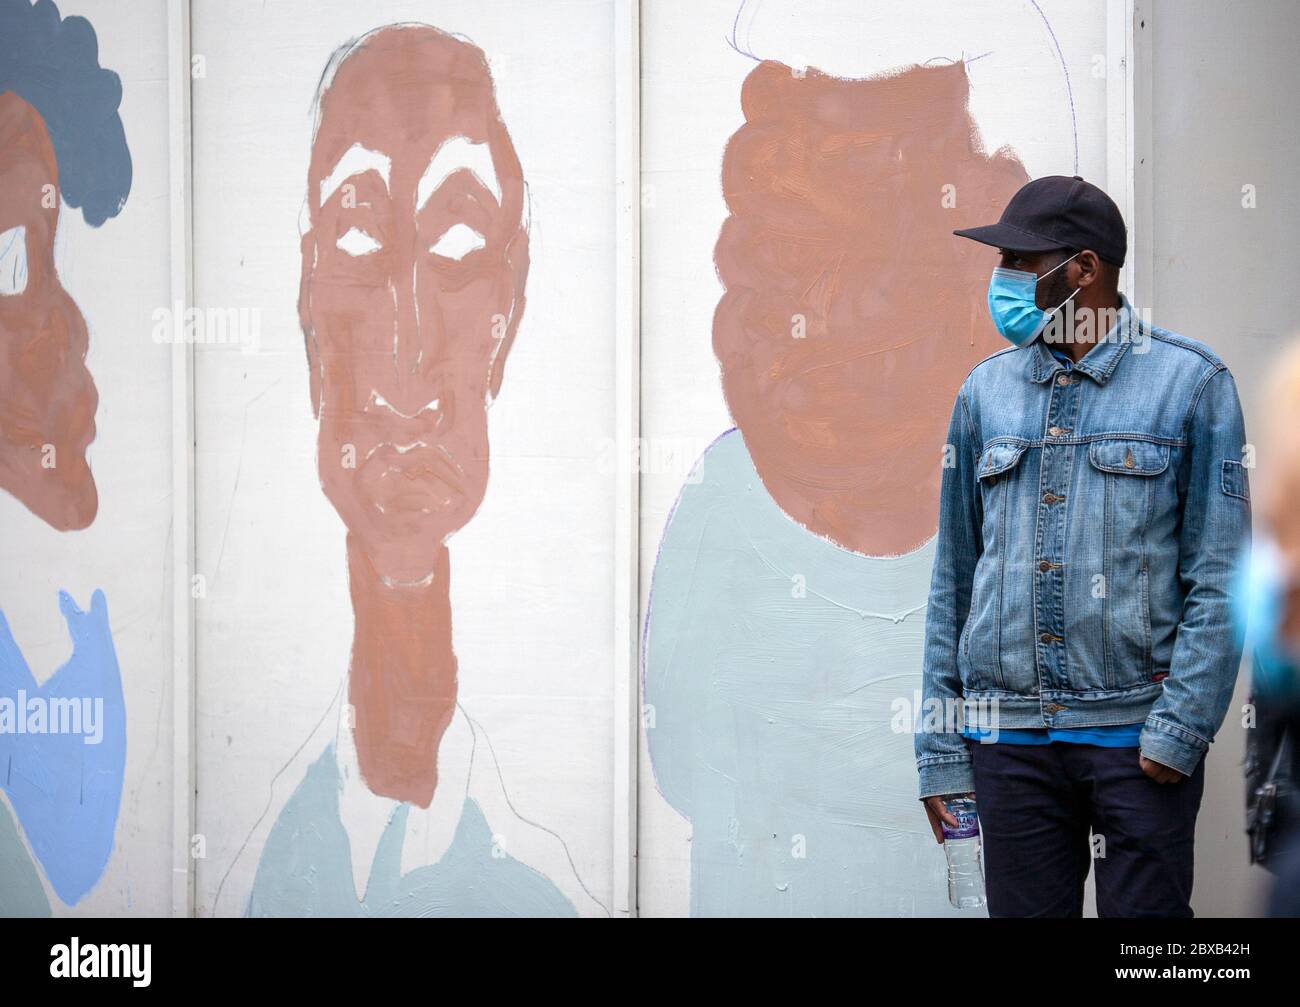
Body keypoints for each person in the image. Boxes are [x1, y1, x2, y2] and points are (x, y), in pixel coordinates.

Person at [214, 23, 598, 917]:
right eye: (355, 240)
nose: (406, 365)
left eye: (461, 244)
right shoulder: (255, 860)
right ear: (308, 309)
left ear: (511, 307)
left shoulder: (543, 877)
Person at [914, 175, 1252, 917]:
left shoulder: (1191, 385)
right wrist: (941, 749)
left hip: (1137, 744)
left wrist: (1182, 727)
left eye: (1022, 263)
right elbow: (954, 580)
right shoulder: (984, 395)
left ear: (1086, 269)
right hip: (1008, 746)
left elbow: (1222, 577)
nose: (1003, 279)